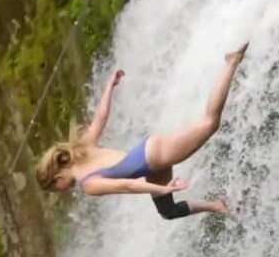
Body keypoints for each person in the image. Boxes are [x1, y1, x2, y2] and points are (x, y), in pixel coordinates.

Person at [35, 46, 248, 220]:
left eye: (57, 189)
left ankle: (231, 63)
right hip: (150, 163)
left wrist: (161, 189)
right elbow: (100, 118)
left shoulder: (88, 184)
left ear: (57, 178)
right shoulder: (81, 148)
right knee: (168, 211)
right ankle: (217, 205)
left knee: (210, 123)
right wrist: (110, 87)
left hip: (154, 156)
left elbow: (126, 185)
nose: (63, 190)